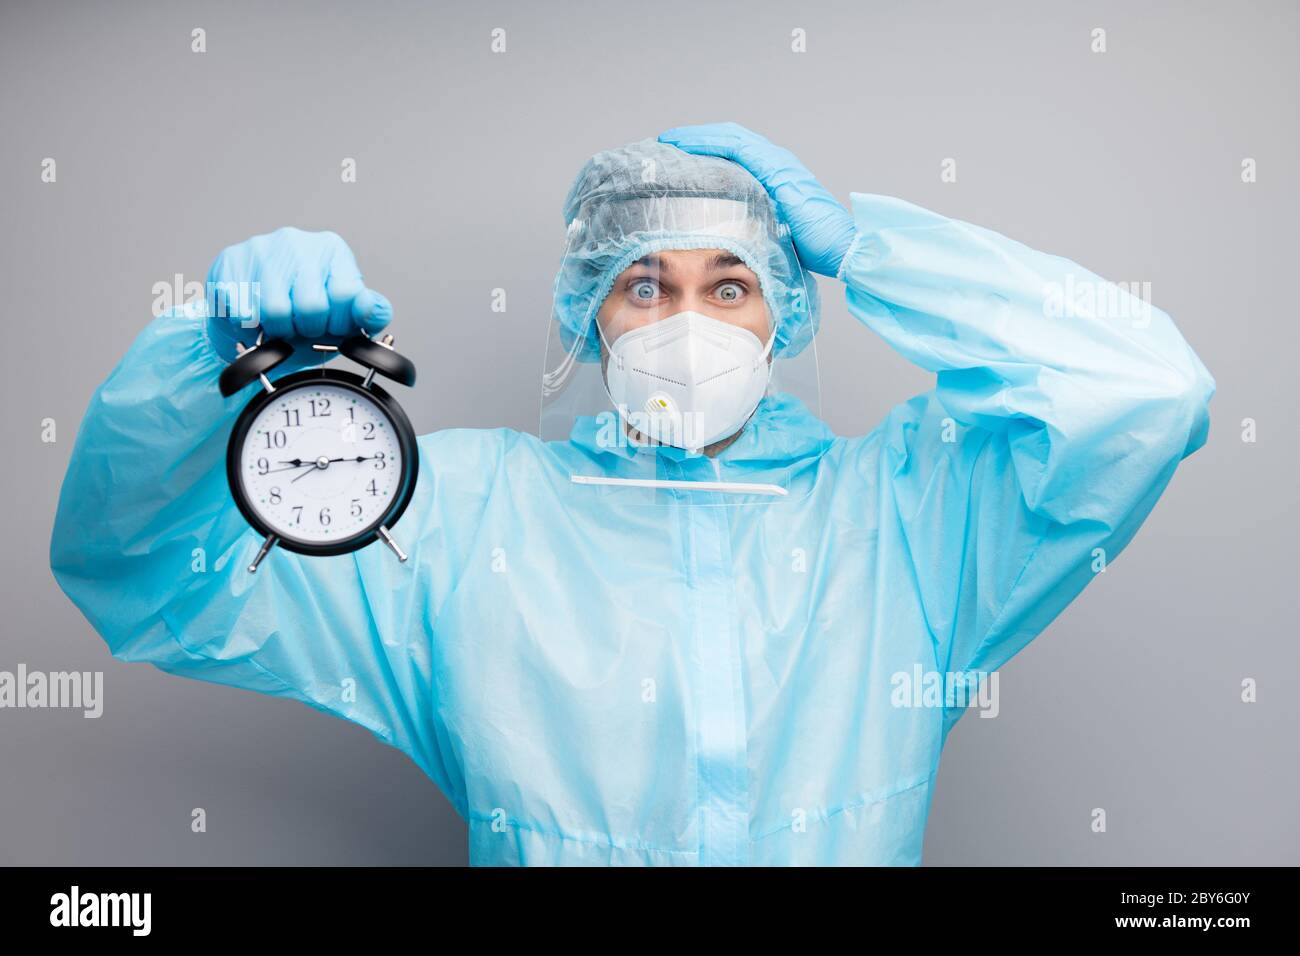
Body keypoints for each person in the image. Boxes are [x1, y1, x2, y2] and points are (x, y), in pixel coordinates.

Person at [50, 123, 1215, 866]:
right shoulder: (462, 518)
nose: (690, 323)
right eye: (644, 285)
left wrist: (865, 256)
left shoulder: (904, 517)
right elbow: (146, 567)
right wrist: (205, 357)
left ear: (785, 316)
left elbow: (1147, 389)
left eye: (734, 285)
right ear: (586, 316)